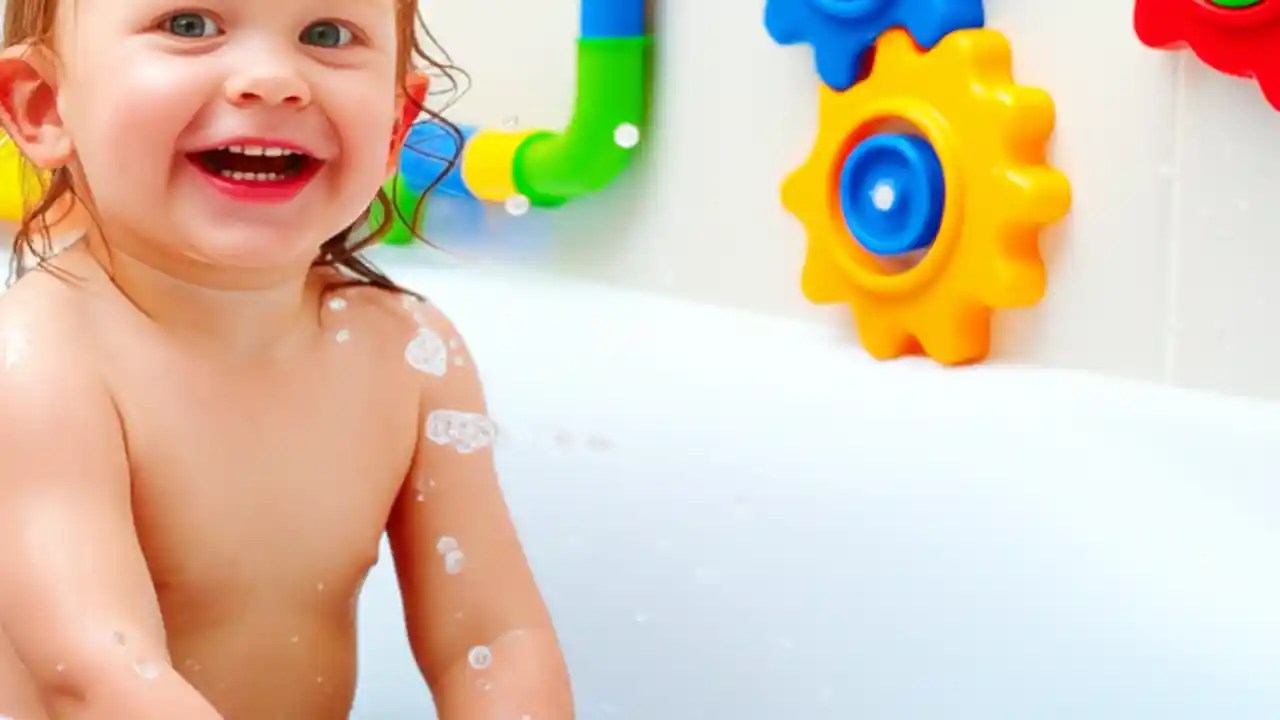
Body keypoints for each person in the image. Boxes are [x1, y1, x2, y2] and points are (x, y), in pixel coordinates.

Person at [0, 0, 573, 718]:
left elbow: (493, 640)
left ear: (397, 125)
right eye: (189, 26)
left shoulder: (407, 356)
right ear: (45, 105)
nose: (273, 80)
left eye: (327, 34)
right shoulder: (42, 363)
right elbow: (97, 678)